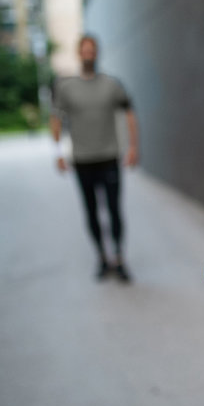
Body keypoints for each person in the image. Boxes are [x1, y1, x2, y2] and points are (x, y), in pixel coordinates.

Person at [51, 34, 139, 282]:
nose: (88, 53)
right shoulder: (66, 87)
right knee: (91, 212)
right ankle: (102, 257)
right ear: (79, 53)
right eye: (84, 50)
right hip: (82, 160)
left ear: (97, 53)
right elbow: (56, 119)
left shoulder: (112, 84)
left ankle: (119, 258)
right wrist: (58, 152)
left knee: (114, 210)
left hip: (109, 157)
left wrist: (133, 147)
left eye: (92, 50)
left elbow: (129, 112)